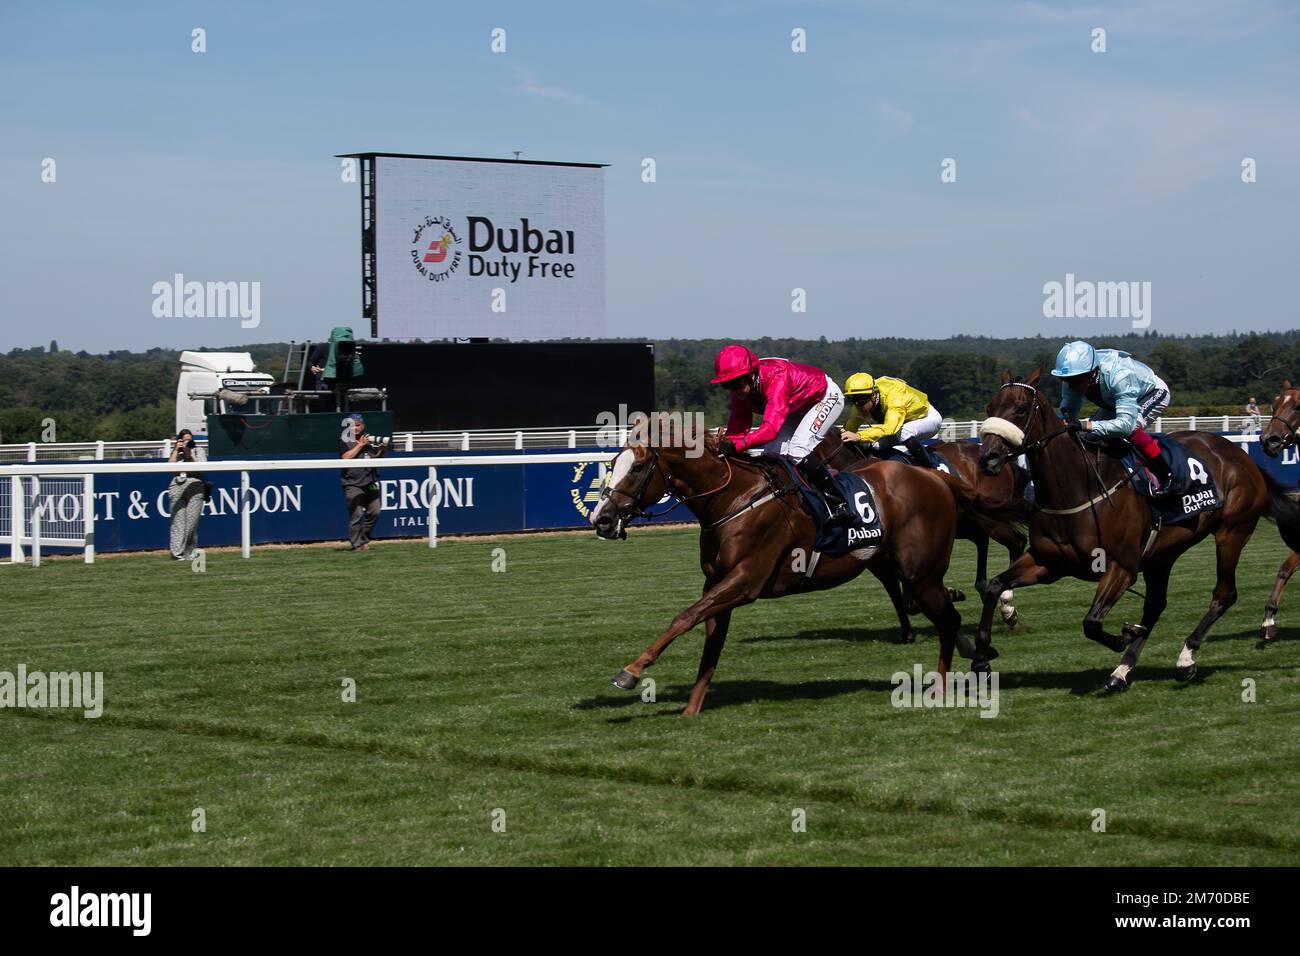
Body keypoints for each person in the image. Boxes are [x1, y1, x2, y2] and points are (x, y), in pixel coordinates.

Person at [710, 344, 850, 524]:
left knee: (797, 449)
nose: (734, 390)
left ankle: (839, 503)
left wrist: (736, 446)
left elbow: (770, 430)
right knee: (771, 454)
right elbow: (738, 431)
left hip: (824, 397)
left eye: (737, 383)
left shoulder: (776, 377)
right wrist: (725, 447)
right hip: (794, 407)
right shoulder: (740, 394)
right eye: (726, 385)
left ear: (752, 375)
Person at [1051, 340, 1177, 495]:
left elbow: (1125, 425)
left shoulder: (1119, 375)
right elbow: (1067, 412)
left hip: (1151, 393)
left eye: (1075, 380)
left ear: (1093, 373)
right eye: (1066, 381)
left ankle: (1167, 476)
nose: (1070, 386)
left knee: (1131, 430)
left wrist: (1085, 425)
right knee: (1089, 437)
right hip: (1115, 401)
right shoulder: (1075, 376)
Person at [840, 372, 942, 467]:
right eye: (854, 400)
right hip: (901, 426)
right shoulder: (861, 403)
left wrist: (859, 436)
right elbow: (851, 427)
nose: (858, 405)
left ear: (873, 395)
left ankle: (929, 468)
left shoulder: (894, 396)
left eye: (861, 401)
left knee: (904, 432)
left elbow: (890, 428)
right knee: (872, 444)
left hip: (927, 419)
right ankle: (905, 465)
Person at [339, 413, 388, 551]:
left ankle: (363, 539)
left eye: (358, 425)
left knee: (375, 512)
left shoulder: (369, 439)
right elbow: (345, 458)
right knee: (356, 515)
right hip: (352, 483)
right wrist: (360, 445)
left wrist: (381, 451)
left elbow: (376, 459)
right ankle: (357, 545)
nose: (355, 428)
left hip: (370, 481)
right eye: (352, 425)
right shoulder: (344, 439)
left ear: (363, 425)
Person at [167, 429, 206, 560]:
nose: (187, 442)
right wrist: (176, 450)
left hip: (195, 484)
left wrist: (189, 455)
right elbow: (169, 467)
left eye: (189, 439)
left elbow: (201, 468)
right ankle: (177, 554)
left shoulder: (198, 450)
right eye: (184, 440)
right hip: (177, 484)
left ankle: (189, 552)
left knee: (192, 522)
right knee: (178, 522)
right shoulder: (176, 453)